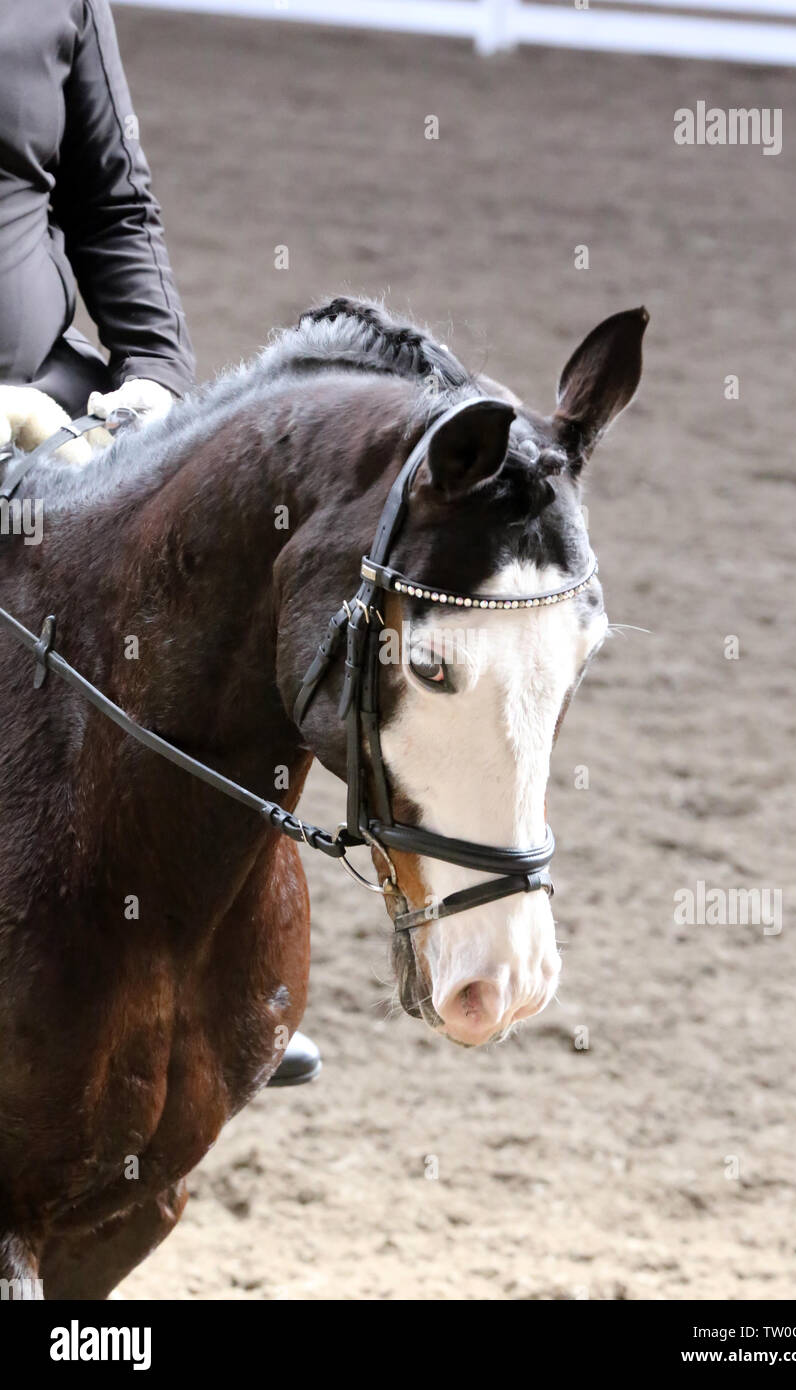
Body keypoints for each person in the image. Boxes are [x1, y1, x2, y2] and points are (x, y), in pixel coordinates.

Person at [0, 0, 319, 1087]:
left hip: (46, 386)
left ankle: (213, 969)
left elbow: (111, 202)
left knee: (212, 577)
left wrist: (153, 380)